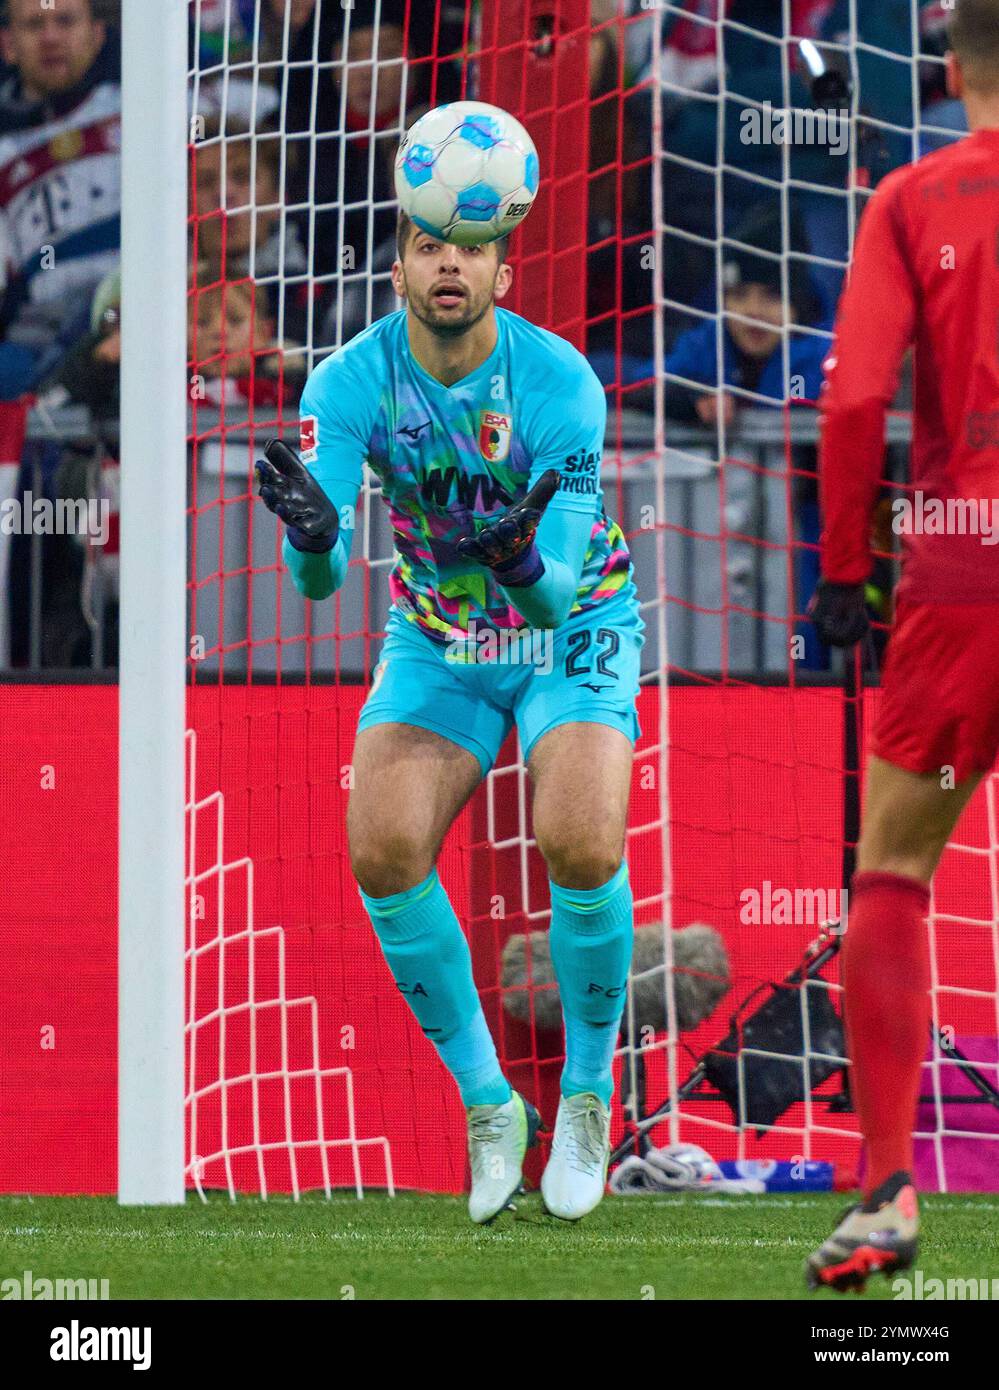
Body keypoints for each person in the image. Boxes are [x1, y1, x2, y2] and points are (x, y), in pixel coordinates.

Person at [255, 211, 645, 1225]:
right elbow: (318, 580)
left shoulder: (561, 382)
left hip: (570, 623)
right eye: (431, 247)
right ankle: (491, 1105)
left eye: (470, 250)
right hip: (439, 634)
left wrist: (518, 560)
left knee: (581, 840)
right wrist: (309, 538)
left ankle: (588, 1098)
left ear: (503, 271)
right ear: (399, 270)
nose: (450, 265)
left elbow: (552, 593)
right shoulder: (346, 382)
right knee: (381, 850)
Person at [806, 0, 999, 1291]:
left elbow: (853, 395)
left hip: (960, 562)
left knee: (893, 868)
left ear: (945, 66)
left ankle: (883, 1186)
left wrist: (836, 571)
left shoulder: (908, 195)